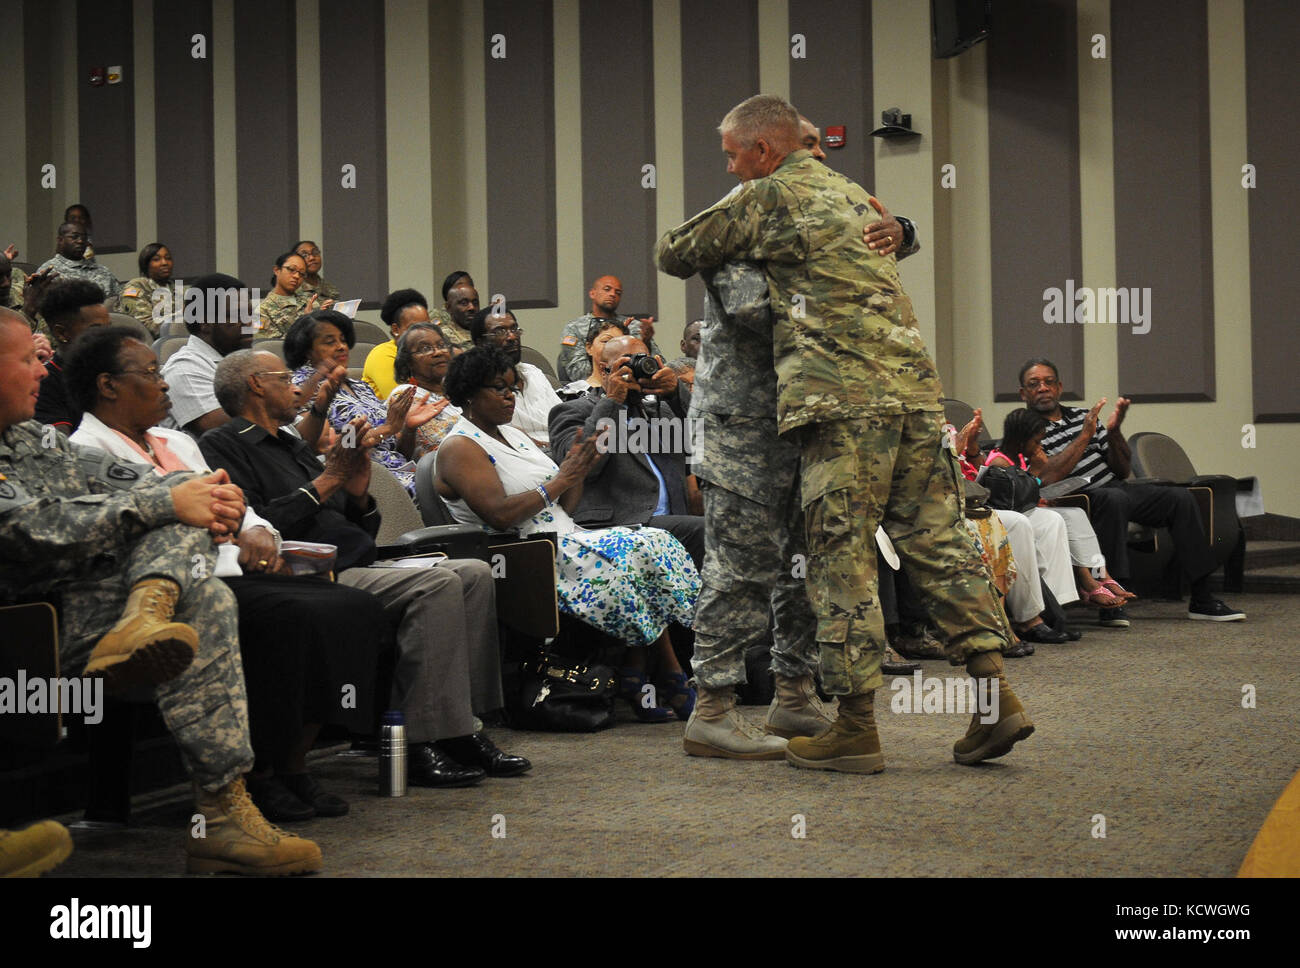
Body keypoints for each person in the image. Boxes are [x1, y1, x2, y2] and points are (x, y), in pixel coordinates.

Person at [657, 94, 1033, 773]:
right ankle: (713, 710)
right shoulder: (778, 202)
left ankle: (818, 705)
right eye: (810, 144)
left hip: (831, 405)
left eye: (820, 144)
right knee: (773, 562)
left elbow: (683, 250)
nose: (823, 155)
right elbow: (729, 294)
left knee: (828, 559)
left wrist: (896, 233)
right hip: (764, 417)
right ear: (777, 148)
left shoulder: (810, 198)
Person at [0, 307, 321, 874]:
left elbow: (120, 478)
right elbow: (21, 529)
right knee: (187, 548)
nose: (43, 372)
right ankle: (222, 812)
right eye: (28, 359)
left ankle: (147, 616)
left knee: (203, 577)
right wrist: (170, 502)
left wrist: (198, 492)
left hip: (80, 607)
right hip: (28, 624)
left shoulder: (29, 440)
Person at [65, 326, 384, 821]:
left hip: (231, 566)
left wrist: (260, 532)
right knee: (288, 617)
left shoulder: (175, 440)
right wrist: (215, 512)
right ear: (108, 386)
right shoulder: (85, 449)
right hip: (167, 585)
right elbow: (150, 514)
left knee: (355, 606)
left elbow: (240, 505)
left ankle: (295, 764)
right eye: (151, 374)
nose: (165, 384)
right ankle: (258, 775)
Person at [200, 348, 529, 785]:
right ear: (256, 385)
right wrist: (329, 480)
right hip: (308, 574)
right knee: (436, 586)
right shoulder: (223, 445)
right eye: (284, 378)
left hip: (356, 557)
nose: (295, 388)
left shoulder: (291, 443)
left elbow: (348, 520)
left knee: (473, 573)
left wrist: (356, 493)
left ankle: (464, 725)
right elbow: (260, 528)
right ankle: (420, 741)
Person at [434, 346, 701, 722]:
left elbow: (566, 504)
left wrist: (576, 468)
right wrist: (560, 480)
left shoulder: (515, 435)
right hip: (525, 553)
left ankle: (641, 672)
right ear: (468, 394)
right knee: (632, 551)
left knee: (654, 542)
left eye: (513, 388)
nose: (510, 397)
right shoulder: (460, 446)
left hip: (566, 535)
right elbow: (497, 515)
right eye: (498, 389)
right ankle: (666, 675)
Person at [1018, 358, 1243, 624]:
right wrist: (1085, 437)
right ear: (1024, 393)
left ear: (1059, 386)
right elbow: (1048, 476)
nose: (1043, 388)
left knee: (1179, 498)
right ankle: (1113, 600)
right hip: (1075, 499)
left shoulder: (1082, 416)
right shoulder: (1023, 428)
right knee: (1113, 499)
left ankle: (1202, 598)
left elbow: (1122, 469)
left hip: (1116, 487)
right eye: (1034, 384)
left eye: (1049, 382)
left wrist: (1113, 433)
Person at [547, 333, 703, 568]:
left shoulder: (662, 411)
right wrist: (613, 401)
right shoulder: (573, 411)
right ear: (604, 368)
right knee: (707, 531)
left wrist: (676, 393)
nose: (637, 369)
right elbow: (583, 468)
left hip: (670, 522)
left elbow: (707, 442)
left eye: (644, 360)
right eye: (627, 362)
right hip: (619, 525)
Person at [978, 406, 1135, 610]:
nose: (1039, 446)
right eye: (1036, 442)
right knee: (1062, 520)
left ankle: (1101, 574)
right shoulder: (999, 462)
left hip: (1030, 512)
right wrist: (1036, 471)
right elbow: (1012, 502)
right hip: (1012, 519)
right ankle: (1089, 582)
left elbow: (1026, 494)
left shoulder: (1018, 457)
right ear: (1020, 441)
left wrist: (1042, 495)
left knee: (1076, 515)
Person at [286, 309, 442, 495]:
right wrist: (387, 429)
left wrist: (407, 429)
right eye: (330, 342)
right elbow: (323, 447)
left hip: (400, 470)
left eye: (343, 340)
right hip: (360, 478)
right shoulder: (302, 388)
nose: (341, 347)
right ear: (306, 350)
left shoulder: (360, 387)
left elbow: (394, 448)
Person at [159, 273, 257, 435]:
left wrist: (315, 410)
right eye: (237, 315)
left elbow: (297, 433)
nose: (249, 323)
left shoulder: (252, 363)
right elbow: (233, 434)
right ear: (205, 323)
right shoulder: (185, 369)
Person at [469, 306, 561, 450]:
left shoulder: (533, 372)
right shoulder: (478, 386)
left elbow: (562, 417)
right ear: (480, 342)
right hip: (522, 455)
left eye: (514, 329)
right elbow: (496, 435)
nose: (512, 337)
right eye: (500, 331)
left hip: (561, 447)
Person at [34, 278, 111, 432]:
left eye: (108, 328)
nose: (108, 336)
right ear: (61, 333)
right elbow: (54, 449)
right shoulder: (45, 383)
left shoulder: (118, 373)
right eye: (95, 330)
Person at [556, 275, 661, 383]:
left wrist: (645, 343)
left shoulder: (634, 326)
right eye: (607, 289)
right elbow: (579, 373)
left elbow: (658, 367)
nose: (612, 294)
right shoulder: (574, 328)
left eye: (618, 293)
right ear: (592, 293)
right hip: (590, 392)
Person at [387, 322, 459, 458]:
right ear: (408, 361)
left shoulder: (462, 392)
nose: (438, 352)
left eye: (442, 345)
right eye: (425, 348)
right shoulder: (405, 394)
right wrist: (409, 430)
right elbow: (402, 455)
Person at [363, 287, 431, 400]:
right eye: (414, 327)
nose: (424, 333)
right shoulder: (383, 354)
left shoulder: (430, 352)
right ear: (395, 329)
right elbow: (403, 402)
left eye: (428, 325)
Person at [34, 222, 121, 309]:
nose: (80, 241)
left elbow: (118, 303)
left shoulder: (103, 271)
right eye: (74, 237)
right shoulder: (49, 271)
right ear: (60, 240)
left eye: (84, 238)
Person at [259, 251, 331, 338]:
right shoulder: (262, 311)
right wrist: (304, 322)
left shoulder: (309, 301)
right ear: (277, 270)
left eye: (301, 274)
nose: (297, 276)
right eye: (292, 270)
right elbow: (270, 347)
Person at [555, 317, 628, 399]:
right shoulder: (571, 394)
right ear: (589, 348)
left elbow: (622, 412)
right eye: (606, 341)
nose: (613, 347)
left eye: (620, 342)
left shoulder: (631, 393)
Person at [119, 242, 177, 338]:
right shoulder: (135, 287)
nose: (164, 263)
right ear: (146, 264)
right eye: (156, 259)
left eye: (168, 258)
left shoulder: (174, 288)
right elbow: (144, 327)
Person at [439, 272, 479, 349]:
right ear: (449, 307)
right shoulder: (442, 337)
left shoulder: (485, 332)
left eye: (475, 302)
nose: (472, 307)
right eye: (464, 303)